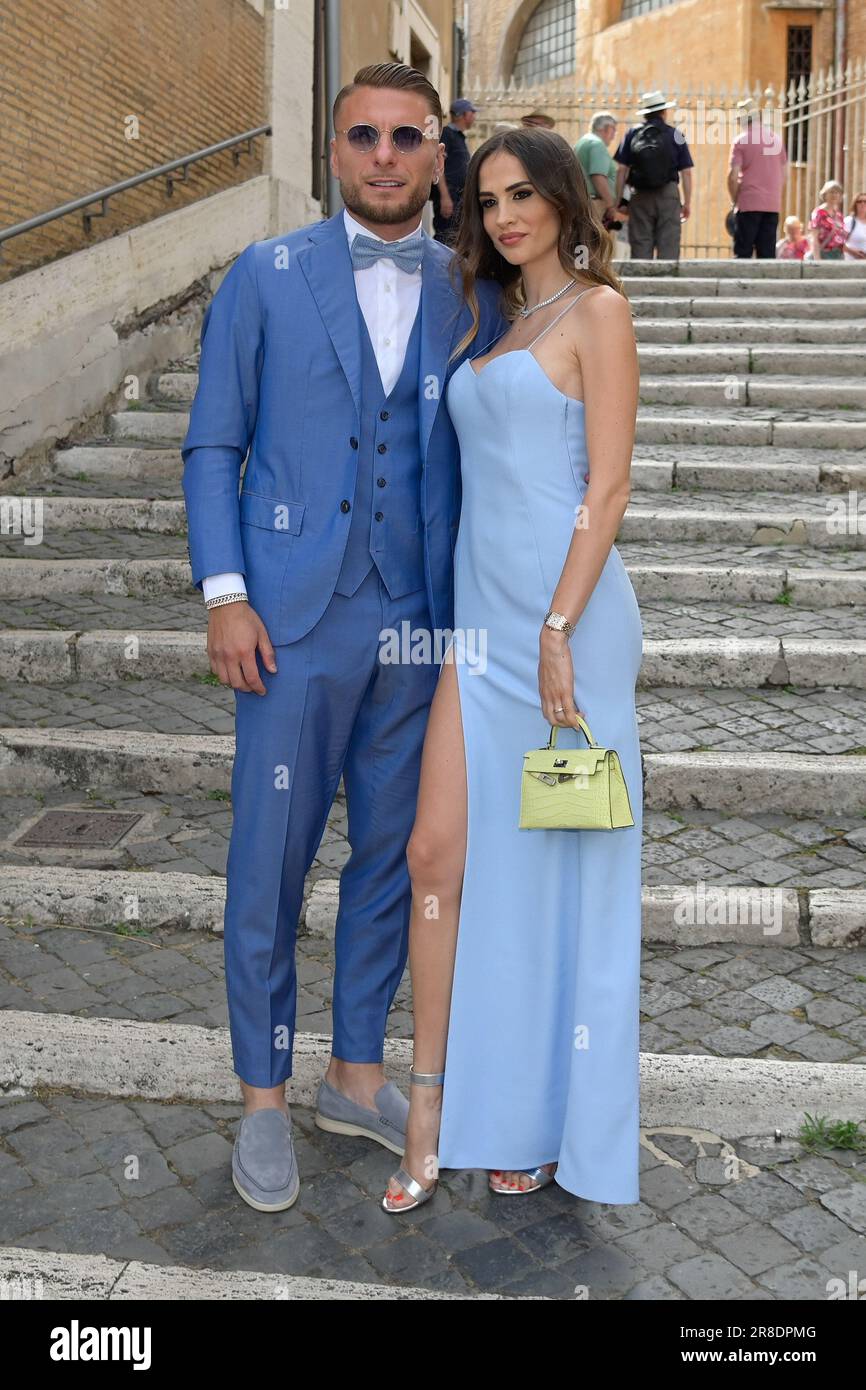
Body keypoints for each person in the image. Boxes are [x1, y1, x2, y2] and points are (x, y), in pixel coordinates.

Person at [181, 61, 506, 1213]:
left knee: (387, 854)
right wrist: (225, 589)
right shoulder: (263, 278)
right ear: (332, 152)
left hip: (417, 618)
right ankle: (262, 1092)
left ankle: (352, 1071)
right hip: (287, 617)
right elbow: (213, 443)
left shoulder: (476, 290)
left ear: (436, 153)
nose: (382, 155)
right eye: (361, 135)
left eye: (404, 137)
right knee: (269, 856)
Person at [383, 125, 643, 1212]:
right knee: (432, 853)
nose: (502, 215)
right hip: (475, 632)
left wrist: (554, 629)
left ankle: (542, 1123)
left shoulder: (597, 312)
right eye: (486, 199)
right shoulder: (494, 317)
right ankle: (433, 1106)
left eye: (521, 194)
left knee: (555, 881)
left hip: (563, 628)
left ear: (563, 200)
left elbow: (610, 488)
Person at [613, 90, 693, 260]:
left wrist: (618, 200)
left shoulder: (632, 133)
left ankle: (642, 282)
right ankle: (668, 283)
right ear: (664, 112)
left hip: (640, 194)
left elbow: (621, 170)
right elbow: (686, 172)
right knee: (668, 243)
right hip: (668, 194)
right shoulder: (675, 134)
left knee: (641, 242)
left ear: (645, 114)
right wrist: (687, 202)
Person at [728, 97, 788, 259]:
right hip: (772, 203)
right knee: (767, 253)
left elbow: (733, 176)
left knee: (743, 251)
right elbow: (785, 175)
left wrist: (735, 199)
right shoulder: (776, 140)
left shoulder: (741, 141)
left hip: (749, 201)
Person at [574, 110, 630, 251]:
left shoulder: (583, 141)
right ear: (606, 129)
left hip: (584, 200)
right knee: (595, 246)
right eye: (614, 130)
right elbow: (598, 176)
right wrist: (611, 206)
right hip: (595, 204)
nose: (613, 135)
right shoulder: (596, 144)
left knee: (584, 244)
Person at [431, 97, 477, 244]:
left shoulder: (459, 136)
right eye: (472, 112)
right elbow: (438, 164)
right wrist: (445, 197)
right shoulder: (447, 134)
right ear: (462, 115)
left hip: (458, 197)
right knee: (445, 237)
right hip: (449, 196)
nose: (474, 116)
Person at [810, 181, 849, 260]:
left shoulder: (839, 215)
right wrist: (817, 259)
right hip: (824, 254)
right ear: (825, 194)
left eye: (837, 192)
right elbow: (814, 238)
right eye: (831, 192)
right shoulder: (819, 213)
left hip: (839, 255)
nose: (834, 195)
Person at [842, 192, 866, 262]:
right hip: (852, 264)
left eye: (865, 201)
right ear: (855, 204)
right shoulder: (849, 221)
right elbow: (839, 244)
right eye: (859, 201)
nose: (863, 204)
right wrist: (852, 252)